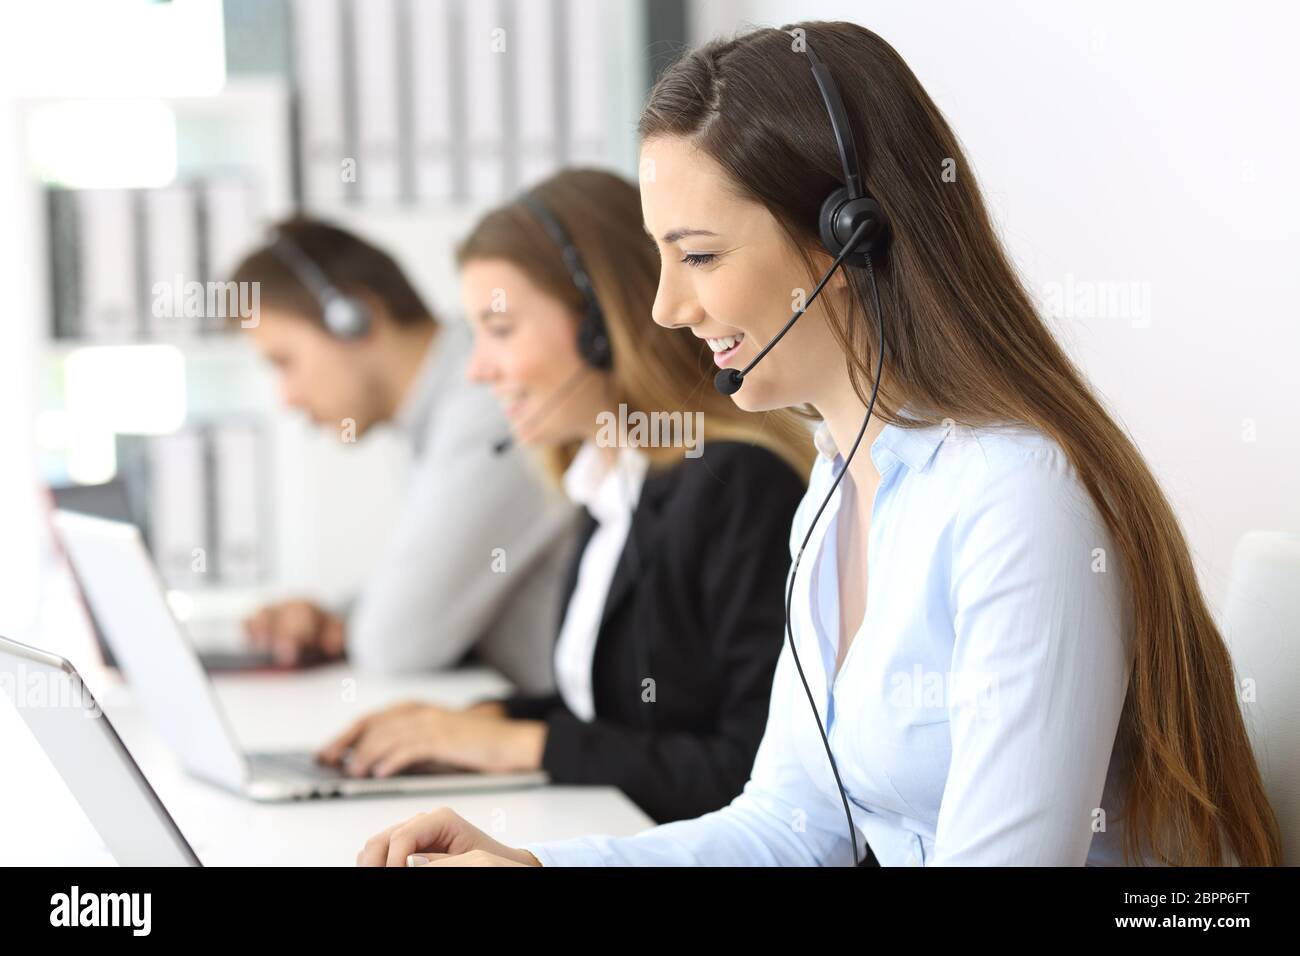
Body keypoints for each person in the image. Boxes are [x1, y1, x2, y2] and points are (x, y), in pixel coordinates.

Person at [357, 22, 1281, 866]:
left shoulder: (1018, 498)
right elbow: (793, 824)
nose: (665, 309)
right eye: (661, 255)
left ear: (851, 240)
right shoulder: (836, 488)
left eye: (702, 256)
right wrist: (541, 867)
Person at [317, 169, 814, 824]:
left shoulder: (737, 485)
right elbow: (617, 716)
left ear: (600, 324)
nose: (477, 369)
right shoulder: (608, 486)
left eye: (500, 329)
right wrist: (478, 724)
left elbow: (747, 772)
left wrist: (523, 745)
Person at [229, 219, 575, 690]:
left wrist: (355, 623)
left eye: (284, 361)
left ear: (354, 317)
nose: (286, 399)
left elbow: (398, 642)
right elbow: (413, 597)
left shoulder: (490, 402)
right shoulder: (435, 414)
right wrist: (332, 617)